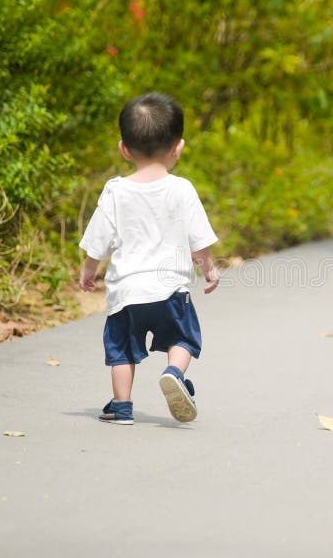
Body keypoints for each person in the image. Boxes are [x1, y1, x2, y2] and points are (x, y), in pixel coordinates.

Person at [78, 92, 220, 425]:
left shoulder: (115, 190)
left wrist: (89, 270)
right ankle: (174, 373)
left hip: (127, 292)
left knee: (122, 350)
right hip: (170, 289)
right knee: (183, 338)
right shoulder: (182, 189)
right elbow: (199, 237)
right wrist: (209, 267)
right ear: (178, 147)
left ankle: (122, 406)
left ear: (124, 149)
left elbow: (98, 239)